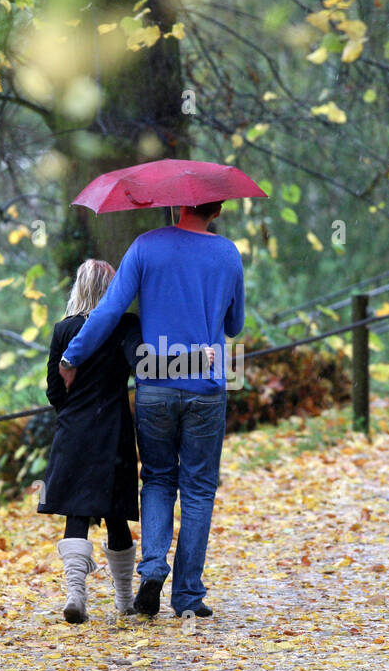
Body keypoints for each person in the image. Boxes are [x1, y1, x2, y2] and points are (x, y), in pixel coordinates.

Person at [59, 201, 244, 618]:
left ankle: (152, 572)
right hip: (206, 388)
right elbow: (235, 325)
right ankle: (189, 597)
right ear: (217, 207)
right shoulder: (228, 253)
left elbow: (108, 311)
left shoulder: (144, 247)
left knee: (158, 479)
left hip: (155, 387)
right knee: (198, 489)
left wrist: (72, 356)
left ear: (178, 204)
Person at [40, 259, 141, 623]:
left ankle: (75, 595)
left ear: (79, 288)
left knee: (77, 512)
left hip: (75, 430)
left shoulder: (63, 331)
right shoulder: (124, 325)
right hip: (113, 429)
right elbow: (140, 366)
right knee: (116, 517)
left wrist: (74, 410)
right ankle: (126, 600)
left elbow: (54, 390)